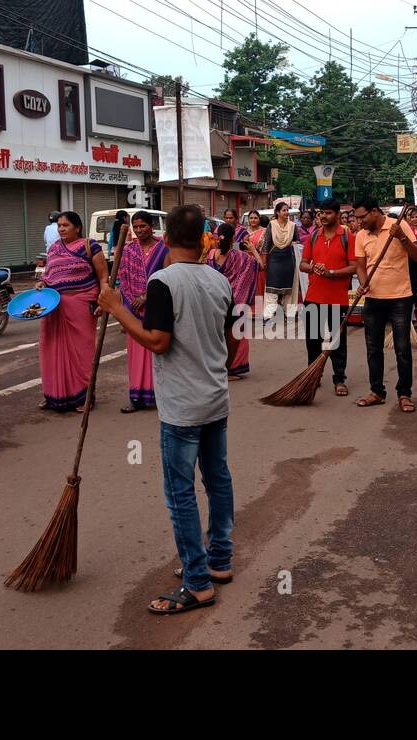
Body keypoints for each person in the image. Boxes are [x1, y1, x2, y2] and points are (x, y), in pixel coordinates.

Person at [96, 204, 236, 615]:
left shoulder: (163, 282)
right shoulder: (219, 279)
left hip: (182, 405)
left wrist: (116, 308)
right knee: (218, 480)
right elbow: (225, 341)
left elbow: (158, 341)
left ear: (168, 238)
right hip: (215, 396)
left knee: (180, 494)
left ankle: (197, 582)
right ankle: (219, 562)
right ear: (204, 239)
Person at [354, 197, 417, 414]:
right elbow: (361, 267)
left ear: (374, 211)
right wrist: (363, 283)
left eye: (362, 217)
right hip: (373, 298)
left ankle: (404, 393)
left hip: (400, 298)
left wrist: (401, 237)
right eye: (357, 218)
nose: (359, 221)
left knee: (402, 349)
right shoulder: (361, 235)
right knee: (373, 348)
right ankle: (377, 391)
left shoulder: (399, 225)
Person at [36, 211, 109, 412]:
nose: (61, 229)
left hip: (81, 303)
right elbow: (48, 275)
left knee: (82, 352)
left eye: (65, 225)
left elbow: (103, 276)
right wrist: (42, 283)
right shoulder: (54, 249)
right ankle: (54, 396)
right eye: (59, 225)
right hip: (54, 307)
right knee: (50, 350)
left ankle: (85, 398)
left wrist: (103, 301)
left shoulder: (89, 246)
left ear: (77, 227)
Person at [299, 198, 356, 396]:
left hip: (337, 298)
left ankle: (339, 379)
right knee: (313, 341)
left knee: (336, 342)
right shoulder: (313, 236)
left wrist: (332, 272)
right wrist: (314, 267)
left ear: (337, 215)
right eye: (321, 213)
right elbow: (303, 264)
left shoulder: (347, 237)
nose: (323, 216)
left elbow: (354, 267)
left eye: (328, 213)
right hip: (313, 297)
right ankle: (313, 376)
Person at [117, 211, 169, 411]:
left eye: (143, 226)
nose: (139, 230)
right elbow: (124, 278)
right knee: (137, 354)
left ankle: (161, 396)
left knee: (158, 353)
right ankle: (137, 397)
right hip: (134, 310)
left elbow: (167, 276)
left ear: (151, 226)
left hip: (157, 308)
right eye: (136, 227)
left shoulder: (163, 249)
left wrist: (147, 296)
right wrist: (132, 300)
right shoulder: (129, 251)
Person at [209, 222, 261, 380]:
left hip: (212, 301)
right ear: (233, 239)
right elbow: (259, 265)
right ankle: (230, 369)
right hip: (233, 302)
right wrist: (253, 251)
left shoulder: (210, 255)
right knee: (232, 335)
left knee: (215, 336)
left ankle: (215, 368)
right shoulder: (241, 257)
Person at [264, 202, 301, 321]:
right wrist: (265, 261)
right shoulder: (272, 224)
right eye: (284, 210)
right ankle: (269, 315)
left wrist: (295, 243)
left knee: (289, 288)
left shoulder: (293, 226)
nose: (286, 213)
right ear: (278, 212)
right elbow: (266, 244)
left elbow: (298, 241)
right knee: (271, 287)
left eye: (287, 210)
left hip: (289, 259)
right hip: (274, 259)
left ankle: (289, 314)